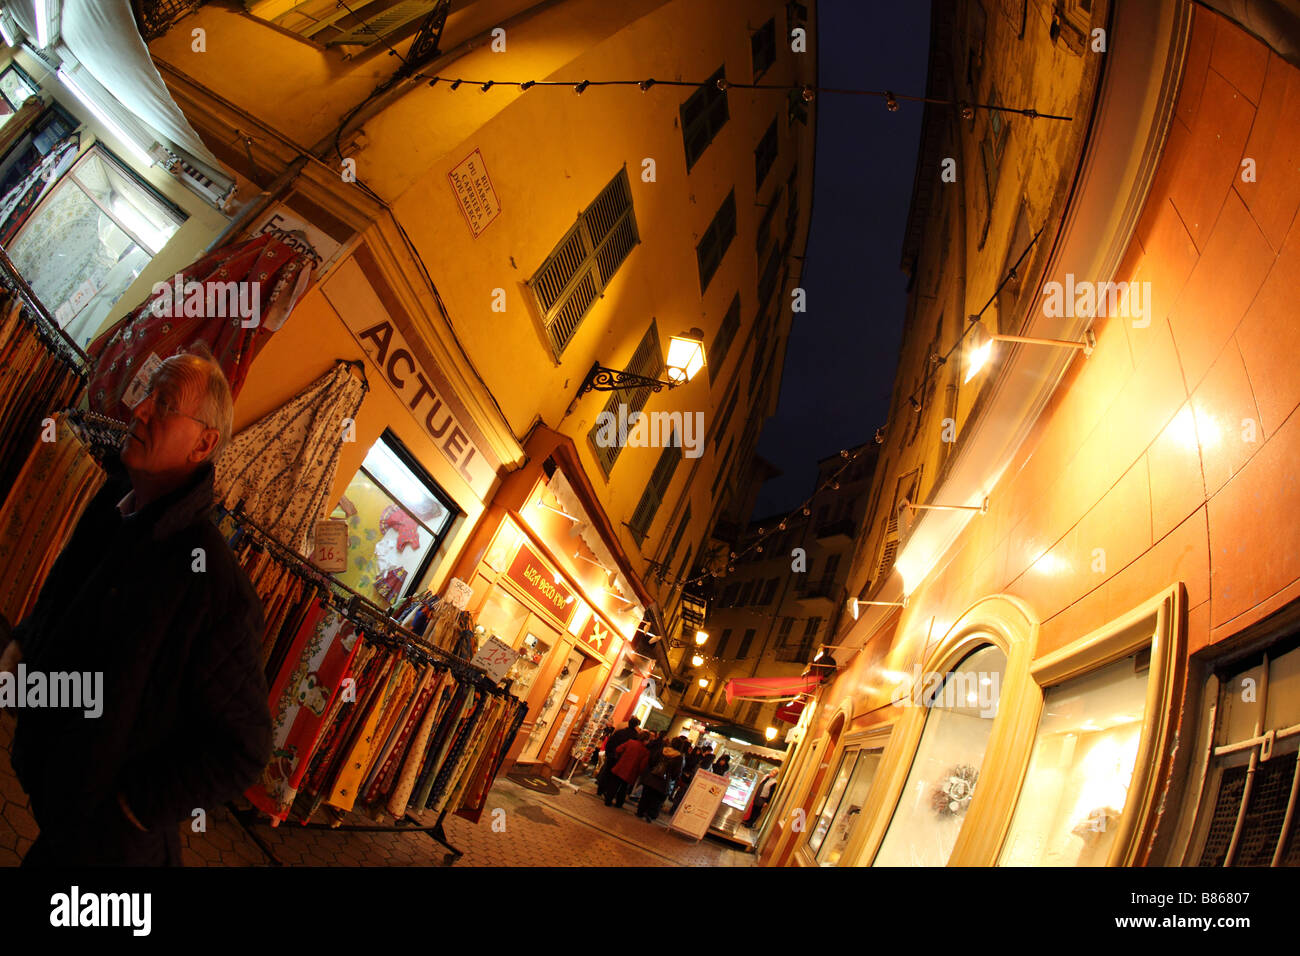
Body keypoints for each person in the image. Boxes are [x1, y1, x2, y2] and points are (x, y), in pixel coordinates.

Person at [0, 346, 273, 866]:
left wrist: (135, 805)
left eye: (165, 403)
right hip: (60, 808)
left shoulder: (213, 584)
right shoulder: (115, 505)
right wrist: (23, 652)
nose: (141, 409)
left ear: (204, 443)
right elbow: (61, 598)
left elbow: (244, 749)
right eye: (148, 393)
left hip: (112, 852)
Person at [637, 738, 684, 822]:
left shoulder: (662, 750)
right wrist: (671, 777)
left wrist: (653, 769)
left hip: (652, 777)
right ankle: (650, 815)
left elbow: (652, 760)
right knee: (657, 799)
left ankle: (640, 811)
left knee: (646, 795)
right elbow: (676, 772)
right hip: (664, 781)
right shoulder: (679, 757)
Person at [596, 717, 640, 798]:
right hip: (622, 760)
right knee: (615, 779)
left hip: (612, 756)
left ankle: (600, 790)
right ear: (636, 725)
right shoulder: (635, 737)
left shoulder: (620, 731)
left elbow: (610, 742)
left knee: (606, 773)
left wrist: (609, 754)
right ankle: (609, 794)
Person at [606, 730, 651, 808]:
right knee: (623, 789)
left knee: (614, 785)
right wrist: (640, 773)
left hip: (620, 767)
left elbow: (618, 749)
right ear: (646, 740)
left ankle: (608, 800)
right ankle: (619, 804)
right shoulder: (645, 751)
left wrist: (619, 757)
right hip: (631, 772)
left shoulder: (630, 742)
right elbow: (642, 765)